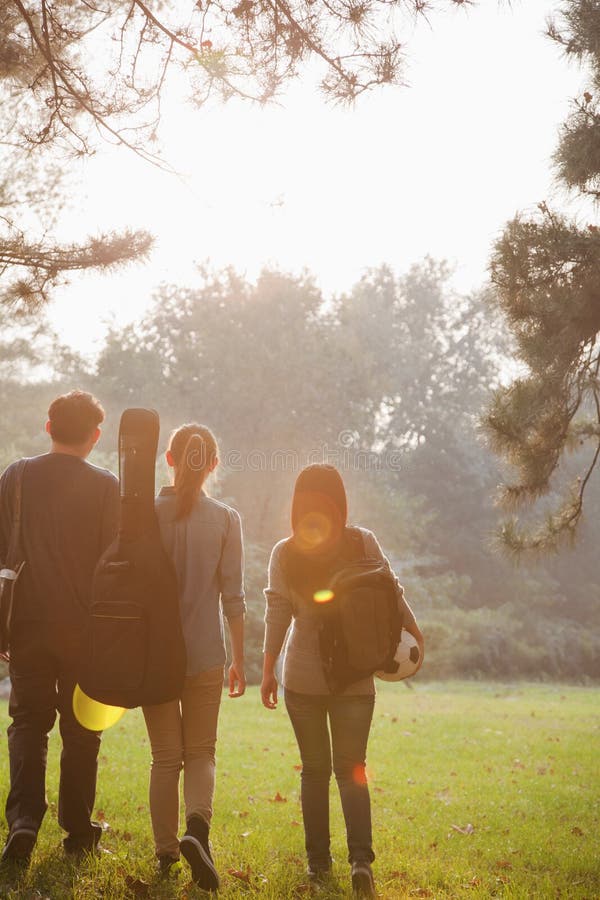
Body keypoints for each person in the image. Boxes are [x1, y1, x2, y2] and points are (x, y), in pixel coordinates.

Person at [261, 464, 424, 899]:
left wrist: (267, 668)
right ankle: (361, 863)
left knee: (314, 772)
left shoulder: (285, 551)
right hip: (355, 677)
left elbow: (278, 612)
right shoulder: (361, 541)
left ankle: (318, 867)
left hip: (303, 676)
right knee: (353, 771)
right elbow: (394, 592)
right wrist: (414, 632)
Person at [0, 390, 119, 865]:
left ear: (48, 428)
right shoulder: (107, 486)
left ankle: (24, 822)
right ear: (95, 436)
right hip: (86, 628)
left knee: (28, 721)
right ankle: (77, 830)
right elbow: (116, 562)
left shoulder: (17, 476)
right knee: (82, 729)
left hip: (26, 622)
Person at [142, 423, 246, 889]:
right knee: (201, 751)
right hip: (207, 652)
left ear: (170, 458)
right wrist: (240, 659)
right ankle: (196, 830)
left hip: (153, 656)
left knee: (166, 758)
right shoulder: (226, 519)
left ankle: (166, 854)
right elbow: (234, 599)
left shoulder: (142, 513)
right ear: (213, 465)